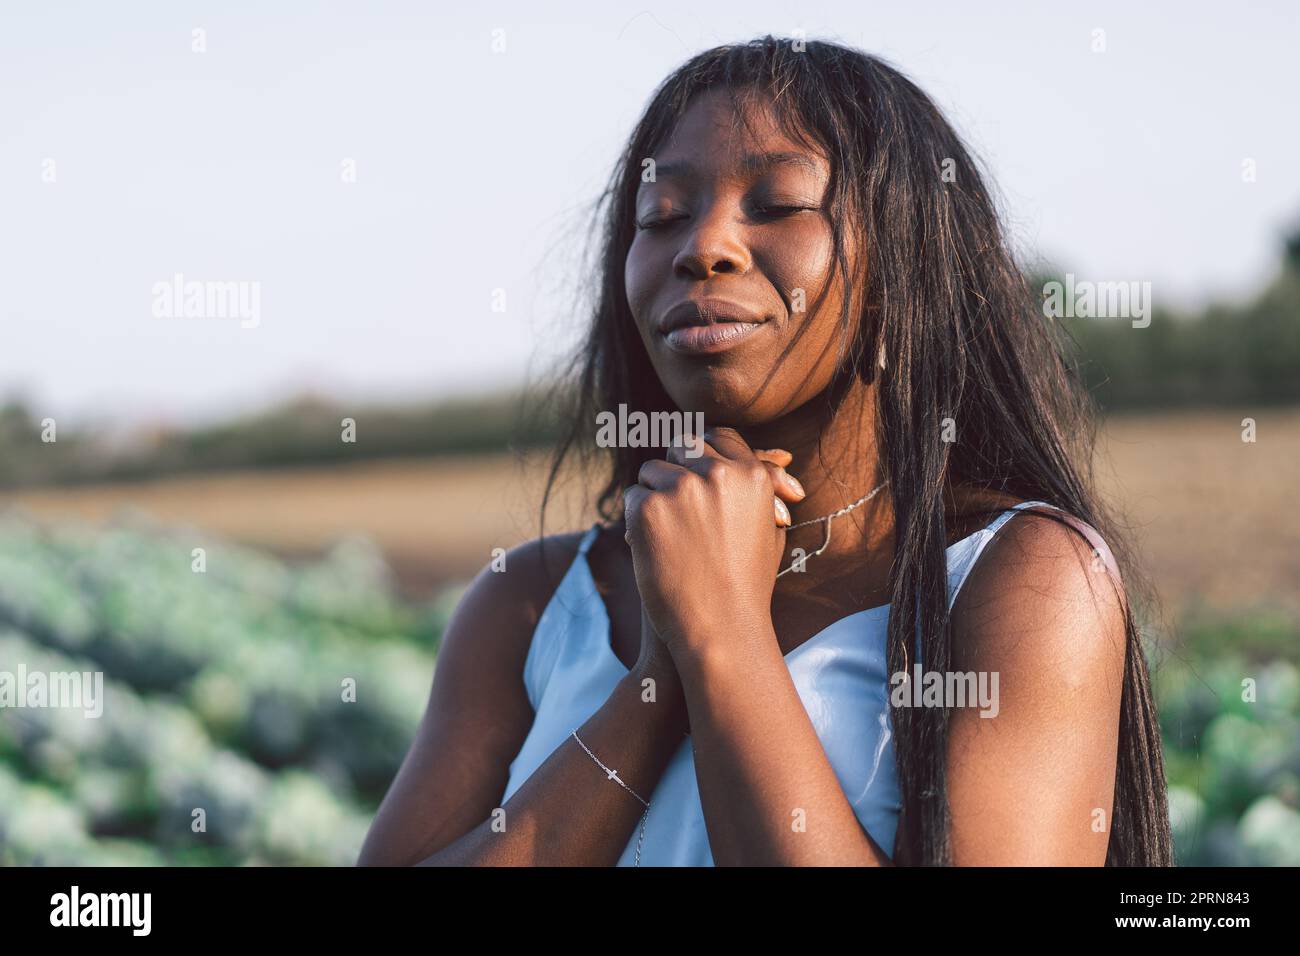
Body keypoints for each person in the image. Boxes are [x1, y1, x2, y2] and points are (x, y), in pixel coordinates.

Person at [358, 36, 1172, 867]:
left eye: (778, 204)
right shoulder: (529, 604)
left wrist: (723, 632)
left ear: (909, 263)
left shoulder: (1025, 581)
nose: (701, 246)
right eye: (661, 216)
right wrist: (657, 680)